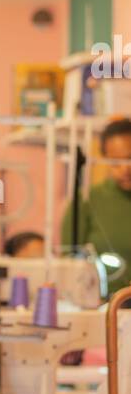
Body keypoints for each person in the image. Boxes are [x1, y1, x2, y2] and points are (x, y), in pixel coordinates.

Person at [60, 117, 131, 295]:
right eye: (115, 162)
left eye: (130, 159)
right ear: (104, 159)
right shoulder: (86, 201)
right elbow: (69, 262)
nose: (125, 169)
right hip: (103, 307)